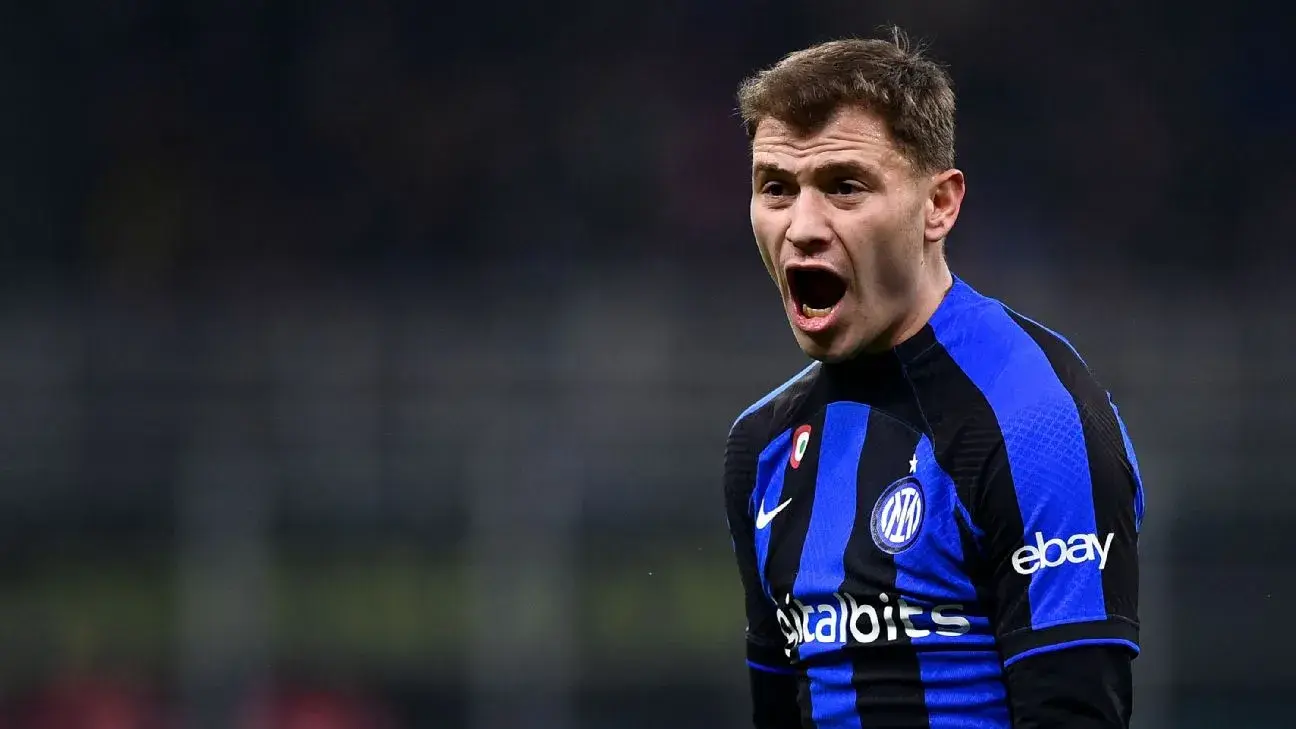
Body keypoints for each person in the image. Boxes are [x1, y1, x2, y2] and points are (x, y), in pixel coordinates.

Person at [723, 29, 1145, 729]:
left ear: (939, 205)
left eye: (845, 186)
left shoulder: (1035, 420)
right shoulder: (761, 447)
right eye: (776, 188)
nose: (802, 226)